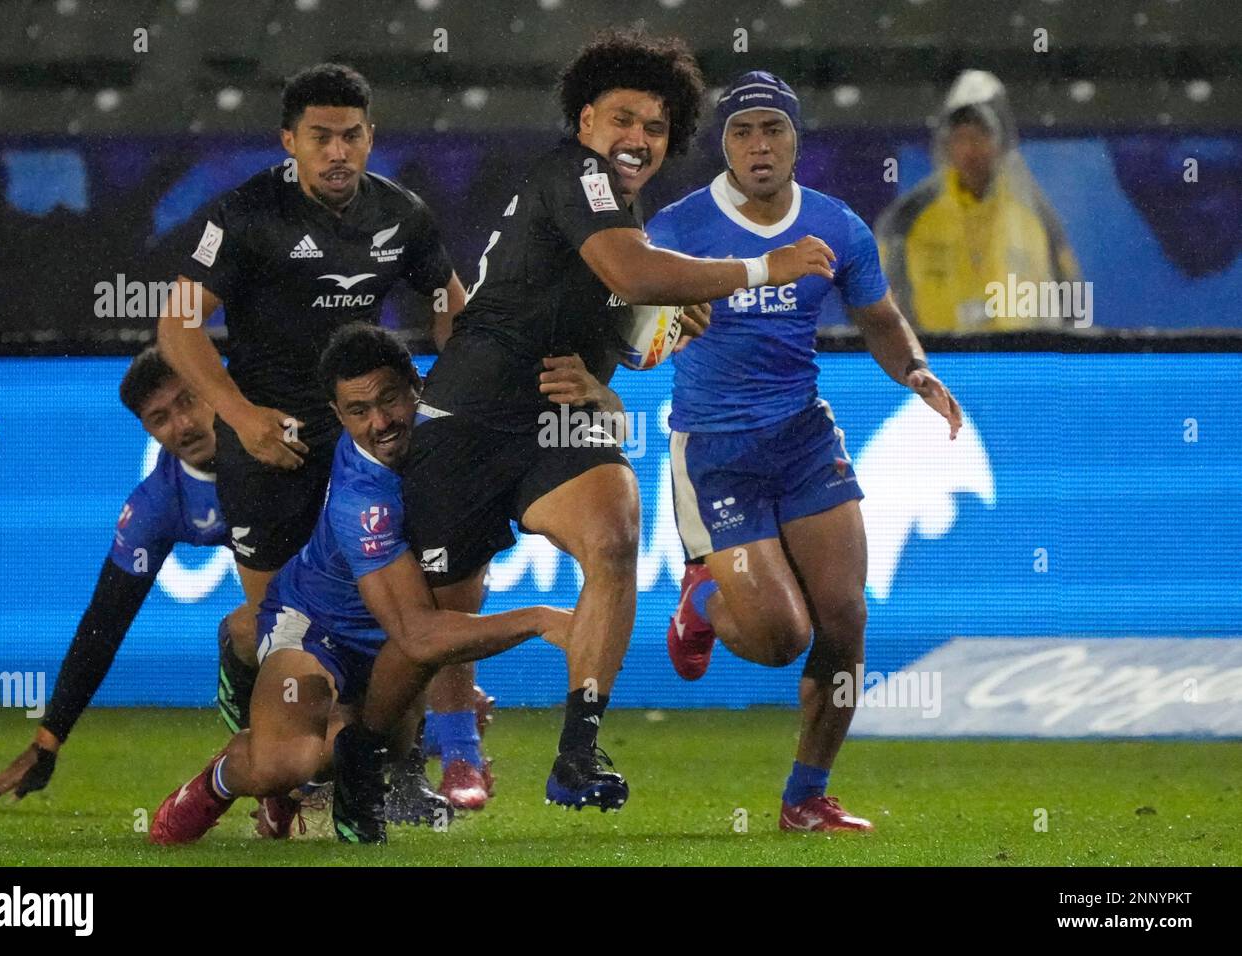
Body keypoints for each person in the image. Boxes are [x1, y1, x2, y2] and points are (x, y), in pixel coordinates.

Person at [350, 30, 836, 818]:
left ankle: (577, 751)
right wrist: (762, 267)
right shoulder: (574, 175)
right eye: (622, 119)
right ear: (584, 123)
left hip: (553, 420)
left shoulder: (623, 210)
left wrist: (642, 354)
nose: (637, 138)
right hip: (468, 416)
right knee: (438, 622)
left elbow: (621, 335)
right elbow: (631, 274)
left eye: (654, 126)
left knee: (612, 537)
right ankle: (381, 761)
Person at [647, 71, 963, 833]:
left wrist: (916, 369)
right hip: (717, 452)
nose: (759, 146)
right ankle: (703, 597)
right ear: (722, 145)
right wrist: (655, 333)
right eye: (742, 132)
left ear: (795, 138)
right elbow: (632, 333)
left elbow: (881, 318)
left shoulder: (837, 226)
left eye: (773, 130)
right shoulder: (678, 228)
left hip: (802, 438)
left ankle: (805, 797)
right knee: (779, 639)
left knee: (846, 619)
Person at [149, 324, 572, 846]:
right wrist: (542, 620)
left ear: (417, 386)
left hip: (391, 651)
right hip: (313, 629)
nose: (381, 423)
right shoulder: (362, 497)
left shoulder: (452, 434)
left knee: (354, 750)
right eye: (358, 412)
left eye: (390, 400)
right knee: (287, 762)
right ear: (338, 415)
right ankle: (215, 782)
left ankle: (342, 760)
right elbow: (419, 634)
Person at [155, 63, 469, 735]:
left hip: (365, 437)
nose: (337, 152)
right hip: (269, 438)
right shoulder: (244, 215)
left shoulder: (401, 214)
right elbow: (176, 326)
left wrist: (452, 397)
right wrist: (241, 418)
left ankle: (394, 769)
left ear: (370, 137)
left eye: (351, 136)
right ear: (288, 141)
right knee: (282, 634)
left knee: (390, 614)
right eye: (320, 137)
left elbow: (451, 305)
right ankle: (273, 749)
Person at [0, 348, 254, 805]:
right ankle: (260, 737)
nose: (181, 426)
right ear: (147, 430)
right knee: (259, 636)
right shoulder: (158, 504)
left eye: (187, 401)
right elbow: (105, 620)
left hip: (332, 582)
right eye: (160, 418)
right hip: (284, 616)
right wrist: (49, 740)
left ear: (212, 385)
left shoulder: (278, 427)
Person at [875, 69, 1082, 331]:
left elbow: (1070, 299)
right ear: (946, 143)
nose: (969, 150)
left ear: (1001, 142)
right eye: (960, 137)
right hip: (936, 364)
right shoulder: (908, 217)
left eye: (980, 136)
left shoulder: (1035, 216)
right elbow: (878, 301)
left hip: (1019, 365)